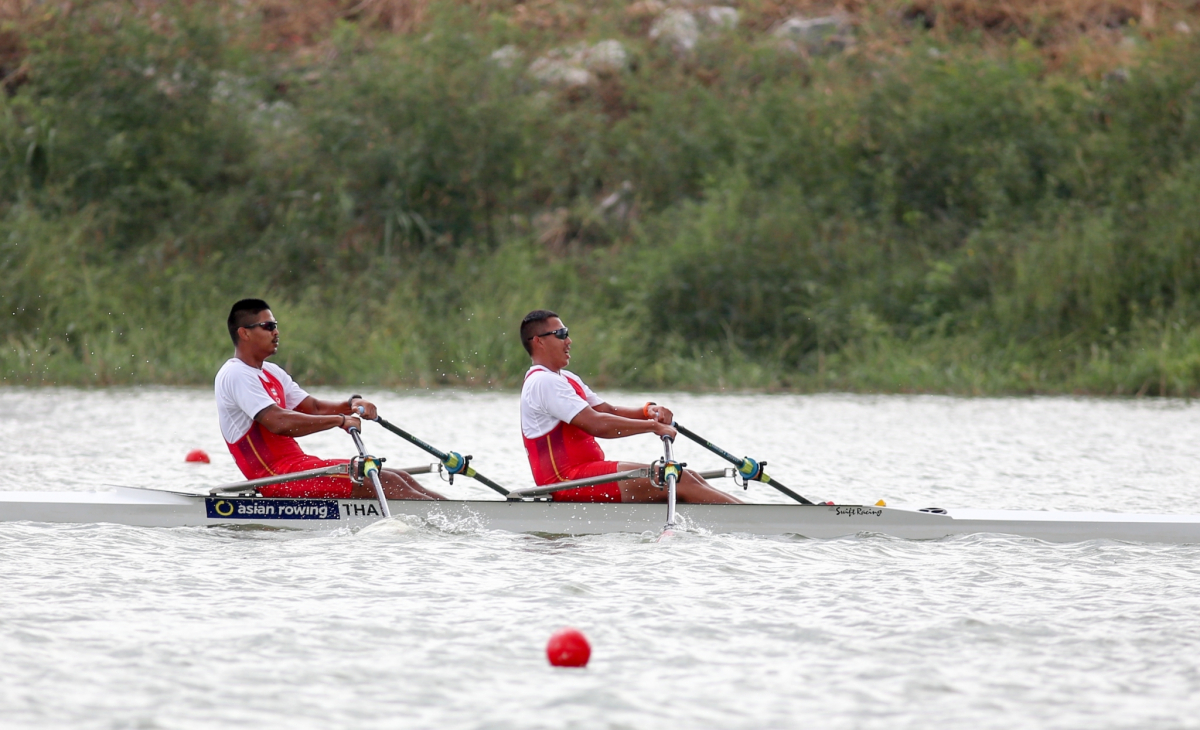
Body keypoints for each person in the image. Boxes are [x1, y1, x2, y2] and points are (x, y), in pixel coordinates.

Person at [215, 298, 444, 500]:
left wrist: (352, 404)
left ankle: (453, 518)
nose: (276, 332)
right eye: (268, 326)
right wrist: (339, 421)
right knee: (386, 481)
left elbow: (314, 407)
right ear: (244, 333)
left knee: (400, 477)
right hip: (276, 477)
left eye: (275, 325)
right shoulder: (235, 373)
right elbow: (278, 422)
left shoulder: (272, 372)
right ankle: (448, 525)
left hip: (297, 468)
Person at [519, 309, 742, 504]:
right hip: (565, 481)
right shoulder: (543, 382)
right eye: (561, 334)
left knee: (689, 477)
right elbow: (598, 425)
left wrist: (647, 412)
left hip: (585, 474)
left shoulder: (566, 378)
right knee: (679, 480)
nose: (569, 341)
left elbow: (607, 411)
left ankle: (744, 518)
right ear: (539, 341)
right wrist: (652, 426)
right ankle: (751, 523)